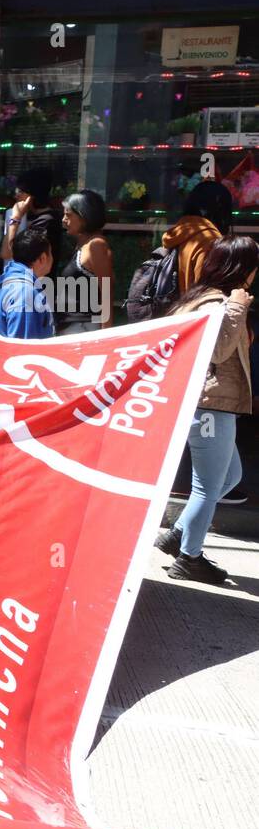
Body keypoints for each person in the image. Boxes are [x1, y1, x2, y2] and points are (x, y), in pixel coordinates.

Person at [154, 236, 257, 584]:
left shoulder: (204, 298)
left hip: (214, 406)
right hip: (209, 409)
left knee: (230, 477)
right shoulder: (216, 304)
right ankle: (189, 558)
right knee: (207, 487)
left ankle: (177, 534)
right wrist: (237, 308)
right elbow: (218, 351)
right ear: (242, 268)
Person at [56, 189, 112, 333]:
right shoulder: (82, 244)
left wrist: (106, 336)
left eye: (68, 215)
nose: (64, 220)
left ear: (84, 216)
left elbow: (106, 293)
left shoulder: (96, 245)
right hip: (74, 327)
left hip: (84, 329)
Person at [163, 180, 233, 295]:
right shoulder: (209, 239)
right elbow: (206, 293)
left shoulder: (179, 231)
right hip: (195, 309)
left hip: (175, 309)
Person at [0, 227, 54, 339]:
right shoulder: (24, 292)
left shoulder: (14, 283)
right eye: (51, 253)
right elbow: (23, 348)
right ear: (43, 258)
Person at [0, 167, 64, 269]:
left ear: (33, 195)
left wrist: (15, 219)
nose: (16, 196)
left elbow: (6, 253)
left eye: (21, 192)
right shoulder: (32, 217)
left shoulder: (45, 222)